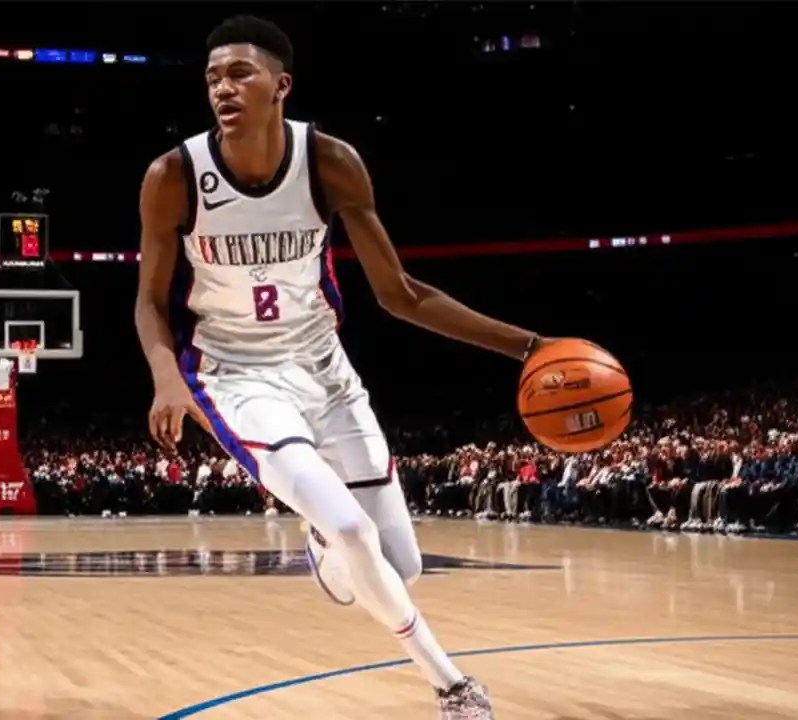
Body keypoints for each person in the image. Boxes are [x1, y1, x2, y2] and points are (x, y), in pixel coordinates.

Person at [135, 15, 552, 719]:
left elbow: (401, 294)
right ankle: (453, 685)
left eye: (240, 73)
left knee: (400, 569)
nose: (222, 88)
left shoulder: (330, 162)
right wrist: (165, 377)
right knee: (356, 535)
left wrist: (529, 346)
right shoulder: (173, 177)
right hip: (233, 375)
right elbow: (149, 304)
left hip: (325, 371)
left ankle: (323, 540)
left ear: (281, 85)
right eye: (212, 77)